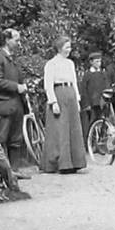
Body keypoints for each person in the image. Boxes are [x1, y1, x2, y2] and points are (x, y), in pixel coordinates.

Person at [0, 27, 30, 179]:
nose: (19, 43)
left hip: (16, 104)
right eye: (16, 40)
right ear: (6, 40)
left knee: (16, 140)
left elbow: (19, 80)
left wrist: (23, 89)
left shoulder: (13, 60)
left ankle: (14, 172)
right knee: (0, 140)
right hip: (3, 105)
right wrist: (17, 87)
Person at [41, 35, 87, 174]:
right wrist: (53, 101)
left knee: (73, 128)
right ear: (59, 48)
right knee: (60, 129)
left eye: (70, 47)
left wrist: (77, 99)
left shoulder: (70, 64)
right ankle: (61, 163)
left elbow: (74, 81)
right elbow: (48, 84)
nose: (69, 50)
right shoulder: (51, 64)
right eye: (67, 47)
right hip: (58, 94)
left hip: (70, 95)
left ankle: (75, 162)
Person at [79, 51, 108, 139]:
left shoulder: (103, 74)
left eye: (100, 61)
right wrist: (86, 104)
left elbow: (107, 87)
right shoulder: (87, 75)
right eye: (96, 61)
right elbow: (83, 90)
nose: (98, 63)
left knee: (104, 122)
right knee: (92, 123)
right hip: (92, 104)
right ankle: (92, 142)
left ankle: (103, 140)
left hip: (102, 102)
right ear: (91, 62)